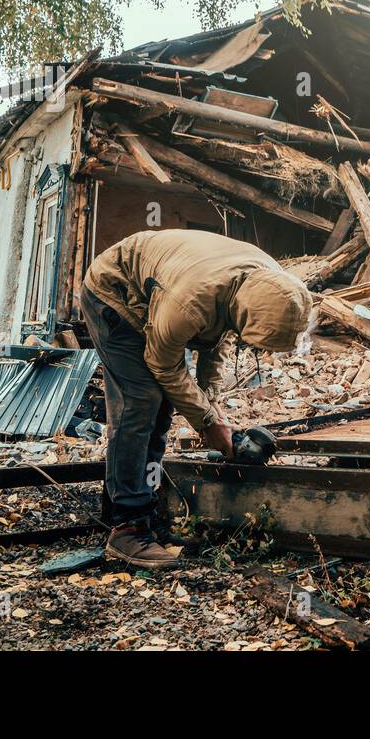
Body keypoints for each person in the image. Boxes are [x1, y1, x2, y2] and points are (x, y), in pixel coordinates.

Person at [80, 229, 311, 568]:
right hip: (114, 292)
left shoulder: (269, 285)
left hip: (168, 287)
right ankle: (127, 528)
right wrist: (208, 423)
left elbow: (218, 336)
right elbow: (164, 365)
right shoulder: (188, 304)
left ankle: (145, 517)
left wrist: (211, 402)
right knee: (141, 401)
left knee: (162, 409)